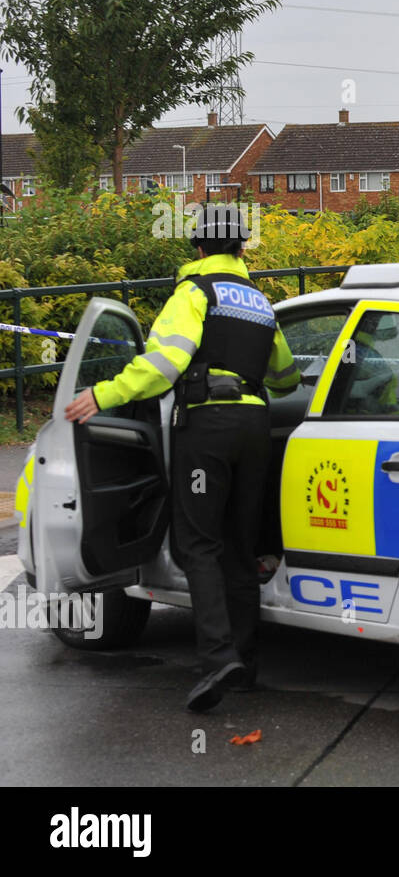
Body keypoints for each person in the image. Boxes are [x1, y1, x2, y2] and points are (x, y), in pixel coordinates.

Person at [65, 204, 301, 712]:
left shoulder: (193, 293)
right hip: (255, 427)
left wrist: (104, 395)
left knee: (198, 545)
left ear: (198, 248)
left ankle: (217, 661)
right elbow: (286, 379)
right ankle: (244, 662)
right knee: (240, 548)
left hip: (208, 428)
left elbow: (163, 365)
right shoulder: (261, 302)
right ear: (241, 249)